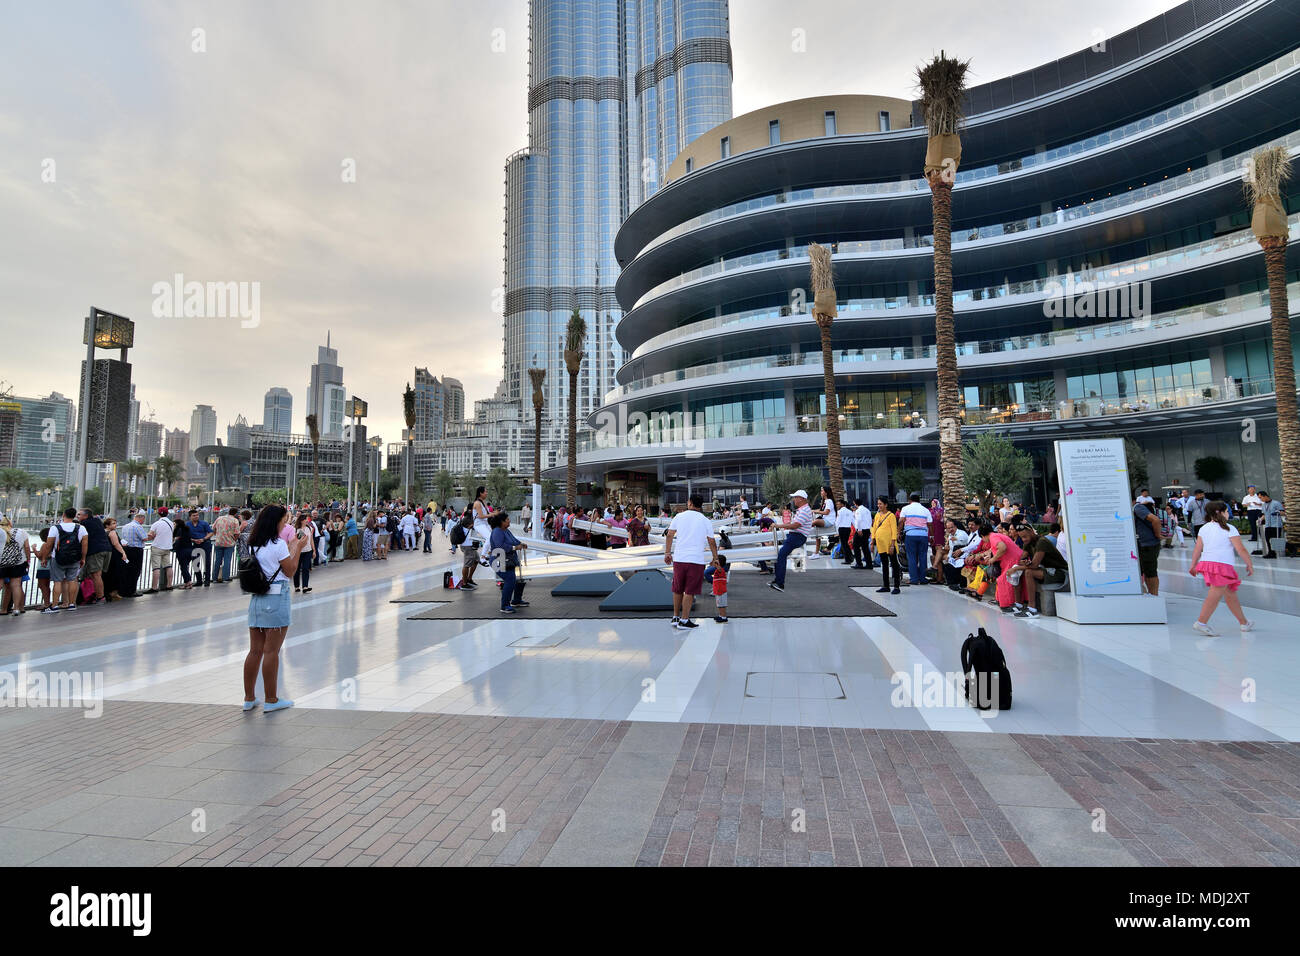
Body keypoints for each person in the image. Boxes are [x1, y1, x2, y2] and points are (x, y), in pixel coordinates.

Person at [242, 504, 304, 713]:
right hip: (277, 597)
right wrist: (297, 547)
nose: (285, 523)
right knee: (272, 652)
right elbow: (290, 571)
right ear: (276, 521)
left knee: (255, 651)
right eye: (284, 520)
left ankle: (249, 698)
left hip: (257, 597)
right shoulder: (277, 544)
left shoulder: (253, 543)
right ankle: (271, 699)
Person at [1189, 501, 1255, 636]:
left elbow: (1198, 548)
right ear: (1220, 513)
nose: (1228, 514)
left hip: (1208, 563)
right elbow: (1240, 549)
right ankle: (1201, 622)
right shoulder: (1229, 528)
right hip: (1221, 565)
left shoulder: (1204, 528)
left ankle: (1244, 622)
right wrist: (1249, 563)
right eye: (1226, 511)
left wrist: (1193, 564)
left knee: (1230, 594)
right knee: (1215, 595)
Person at [663, 493, 719, 629]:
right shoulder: (705, 520)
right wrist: (715, 557)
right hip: (696, 559)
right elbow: (711, 541)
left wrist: (667, 552)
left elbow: (670, 534)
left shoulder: (679, 516)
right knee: (689, 590)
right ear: (701, 505)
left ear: (689, 503)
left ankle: (676, 617)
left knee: (677, 588)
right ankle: (684, 620)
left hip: (680, 558)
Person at [1007, 524, 1068, 618]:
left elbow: (1034, 565)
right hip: (1047, 570)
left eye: (1025, 536)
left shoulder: (1042, 542)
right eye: (1021, 537)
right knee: (1018, 570)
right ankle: (1018, 604)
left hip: (1060, 572)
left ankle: (1032, 610)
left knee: (1028, 572)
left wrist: (1016, 568)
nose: (1023, 539)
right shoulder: (1028, 543)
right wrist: (1022, 563)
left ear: (1032, 532)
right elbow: (1020, 559)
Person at [41, 507, 88, 611]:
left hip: (58, 558)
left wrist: (44, 558)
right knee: (72, 580)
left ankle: (54, 605)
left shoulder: (55, 528)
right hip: (75, 558)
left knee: (57, 581)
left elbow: (49, 545)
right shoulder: (81, 528)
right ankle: (71, 604)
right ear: (75, 516)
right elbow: (84, 546)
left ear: (63, 515)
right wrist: (83, 558)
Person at [769, 490, 814, 594]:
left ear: (801, 499)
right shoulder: (803, 509)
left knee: (781, 555)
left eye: (795, 497)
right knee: (779, 555)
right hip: (795, 536)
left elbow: (795, 525)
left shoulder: (804, 510)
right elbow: (794, 523)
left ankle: (780, 583)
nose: (794, 500)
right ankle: (777, 580)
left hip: (797, 536)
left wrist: (778, 526)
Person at [488, 511, 529, 613]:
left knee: (520, 578)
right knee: (510, 579)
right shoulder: (497, 531)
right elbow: (499, 546)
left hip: (508, 559)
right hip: (499, 560)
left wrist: (521, 544)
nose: (509, 521)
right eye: (507, 520)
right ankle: (505, 605)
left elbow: (514, 540)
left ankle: (516, 600)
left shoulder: (506, 530)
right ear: (502, 522)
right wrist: (515, 547)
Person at [1132, 492, 1167, 596]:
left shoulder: (1137, 508)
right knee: (1146, 571)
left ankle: (1154, 596)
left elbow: (1155, 520)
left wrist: (1157, 535)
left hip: (1148, 544)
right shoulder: (1135, 508)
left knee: (1150, 572)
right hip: (1143, 544)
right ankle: (1150, 595)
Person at [77, 507, 114, 604]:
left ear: (86, 516)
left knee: (96, 575)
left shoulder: (84, 524)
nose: (78, 516)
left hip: (95, 551)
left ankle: (100, 597)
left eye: (79, 514)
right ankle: (98, 595)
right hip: (107, 549)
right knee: (98, 575)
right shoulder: (97, 521)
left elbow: (82, 538)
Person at [898, 493, 932, 586]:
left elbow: (901, 521)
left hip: (911, 535)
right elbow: (929, 524)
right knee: (923, 556)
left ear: (910, 500)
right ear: (919, 500)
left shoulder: (905, 509)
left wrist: (898, 533)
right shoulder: (926, 510)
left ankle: (914, 579)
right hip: (923, 535)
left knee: (911, 557)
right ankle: (923, 578)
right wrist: (931, 536)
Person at [870, 496, 901, 594]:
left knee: (894, 564)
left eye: (880, 504)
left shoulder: (891, 515)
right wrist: (872, 541)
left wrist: (892, 545)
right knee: (884, 565)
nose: (879, 505)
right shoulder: (877, 515)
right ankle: (886, 585)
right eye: (878, 504)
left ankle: (896, 586)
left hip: (889, 544)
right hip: (881, 544)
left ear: (886, 505)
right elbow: (874, 528)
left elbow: (894, 530)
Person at [0, 517, 30, 615]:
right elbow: (26, 547)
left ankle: (4, 609)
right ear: (10, 523)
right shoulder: (21, 532)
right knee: (16, 585)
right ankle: (16, 609)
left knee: (0, 585)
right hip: (18, 562)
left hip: (1, 562)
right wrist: (28, 560)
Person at [118, 510, 148, 597]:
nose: (143, 521)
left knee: (127, 570)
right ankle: (131, 591)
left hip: (126, 550)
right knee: (135, 571)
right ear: (141, 518)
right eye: (143, 519)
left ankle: (123, 590)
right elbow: (145, 538)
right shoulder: (138, 527)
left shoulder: (126, 526)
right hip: (136, 551)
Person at [1256, 491, 1284, 559]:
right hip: (1268, 524)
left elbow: (1283, 512)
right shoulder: (1263, 505)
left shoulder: (1276, 503)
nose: (1260, 499)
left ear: (1265, 496)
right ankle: (1271, 553)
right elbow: (1264, 514)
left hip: (1276, 524)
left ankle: (1291, 547)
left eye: (1261, 497)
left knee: (1276, 539)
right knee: (1268, 539)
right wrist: (1260, 519)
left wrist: (1278, 512)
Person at [456, 513, 481, 589]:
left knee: (476, 560)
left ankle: (469, 579)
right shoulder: (468, 522)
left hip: (470, 546)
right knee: (467, 565)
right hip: (467, 546)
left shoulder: (469, 521)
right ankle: (464, 583)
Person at [292, 512, 314, 593]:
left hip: (308, 551)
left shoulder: (309, 528)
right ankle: (297, 586)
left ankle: (305, 586)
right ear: (301, 520)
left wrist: (313, 550)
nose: (306, 521)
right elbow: (297, 540)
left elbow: (311, 540)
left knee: (305, 568)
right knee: (297, 569)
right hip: (299, 551)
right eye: (305, 519)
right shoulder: (296, 529)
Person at [173, 513, 196, 589]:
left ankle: (188, 582)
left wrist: (173, 546)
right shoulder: (187, 529)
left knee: (183, 567)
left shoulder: (178, 530)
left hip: (182, 551)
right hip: (190, 550)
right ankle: (188, 582)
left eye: (174, 524)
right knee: (185, 567)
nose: (174, 525)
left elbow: (177, 541)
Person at [852, 498, 872, 569]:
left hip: (861, 530)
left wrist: (859, 529)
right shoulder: (867, 510)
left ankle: (859, 563)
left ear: (855, 503)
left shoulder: (858, 510)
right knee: (865, 547)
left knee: (855, 545)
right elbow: (870, 520)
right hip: (867, 530)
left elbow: (858, 520)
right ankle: (869, 564)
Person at [834, 494, 855, 565]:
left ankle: (848, 559)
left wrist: (836, 531)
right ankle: (850, 558)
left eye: (838, 504)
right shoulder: (850, 511)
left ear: (842, 504)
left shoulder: (840, 512)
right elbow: (853, 521)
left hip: (842, 529)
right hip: (848, 529)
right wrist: (857, 529)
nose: (837, 505)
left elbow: (837, 522)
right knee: (845, 544)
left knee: (844, 544)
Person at [710, 553, 729, 623]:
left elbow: (718, 567)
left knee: (722, 605)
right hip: (718, 591)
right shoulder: (717, 570)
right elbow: (711, 564)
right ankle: (721, 615)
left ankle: (724, 617)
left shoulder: (720, 570)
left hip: (721, 591)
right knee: (719, 605)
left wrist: (716, 563)